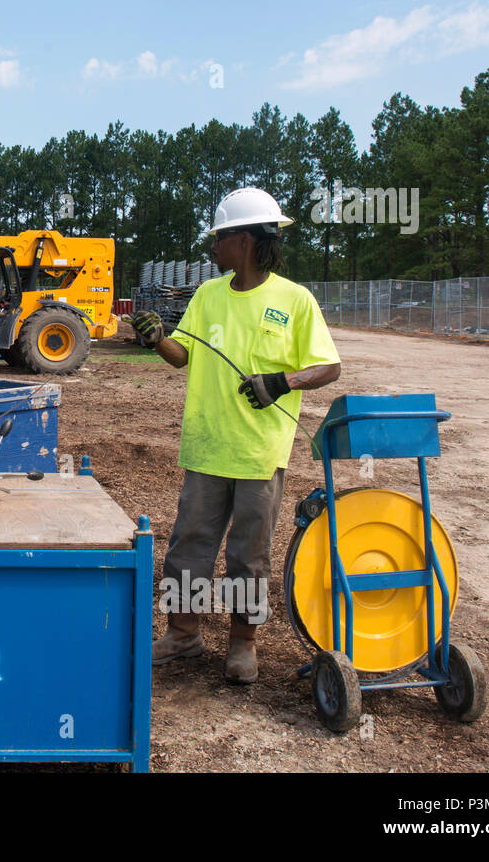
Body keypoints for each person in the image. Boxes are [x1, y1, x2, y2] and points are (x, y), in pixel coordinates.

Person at [132, 186, 341, 684]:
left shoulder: (294, 300)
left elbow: (328, 366)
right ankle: (184, 633)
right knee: (188, 548)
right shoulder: (207, 295)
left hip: (259, 454)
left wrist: (282, 381)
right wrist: (157, 338)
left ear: (244, 241)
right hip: (206, 448)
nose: (212, 248)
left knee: (249, 555)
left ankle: (243, 643)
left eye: (218, 238)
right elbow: (183, 355)